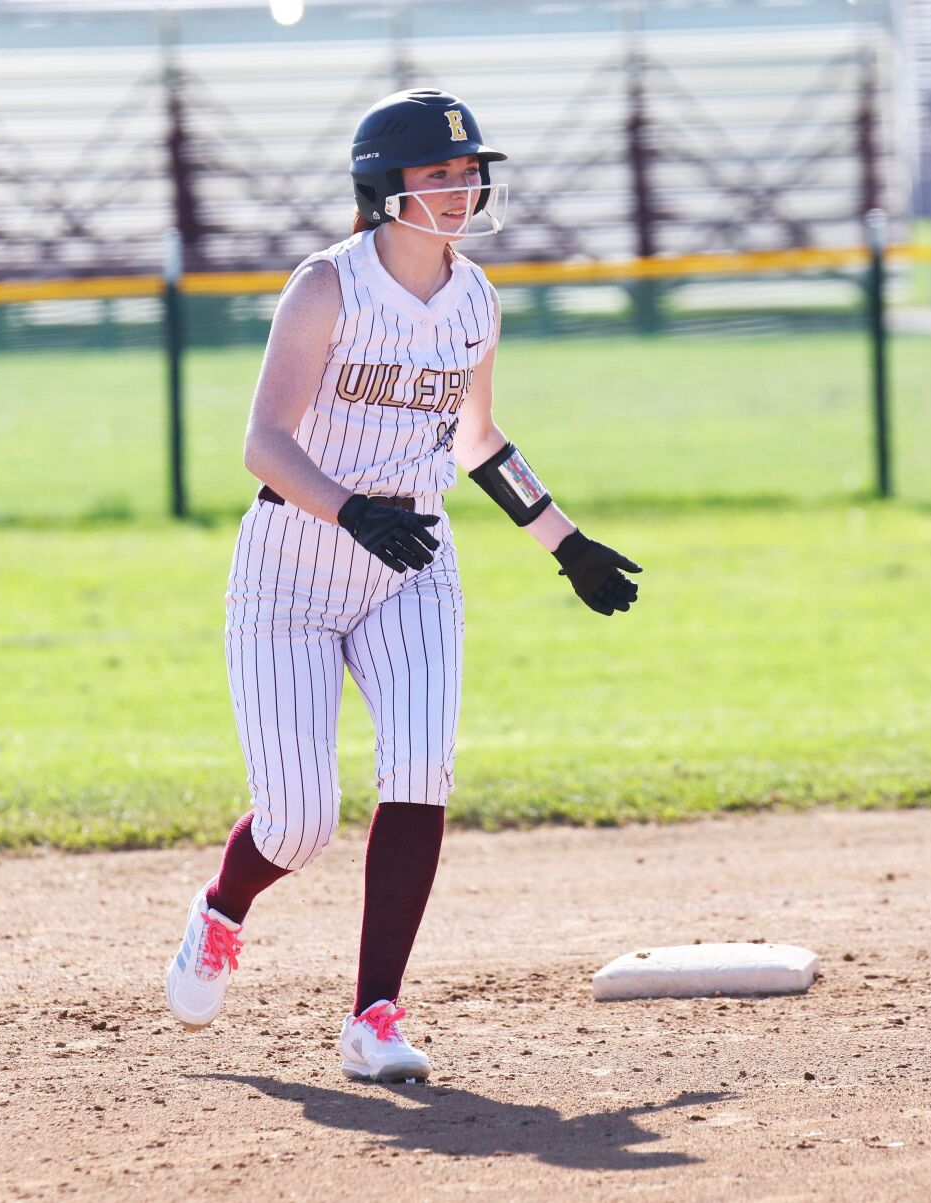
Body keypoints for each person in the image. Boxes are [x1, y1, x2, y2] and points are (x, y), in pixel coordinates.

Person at [162, 88, 642, 1084]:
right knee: (298, 821)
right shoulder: (328, 287)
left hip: (410, 572)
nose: (461, 190)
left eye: (469, 171)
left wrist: (565, 541)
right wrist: (351, 510)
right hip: (293, 571)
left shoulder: (473, 298)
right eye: (437, 174)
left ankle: (373, 1015)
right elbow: (264, 444)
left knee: (421, 769)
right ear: (385, 187)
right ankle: (222, 909)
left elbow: (477, 440)